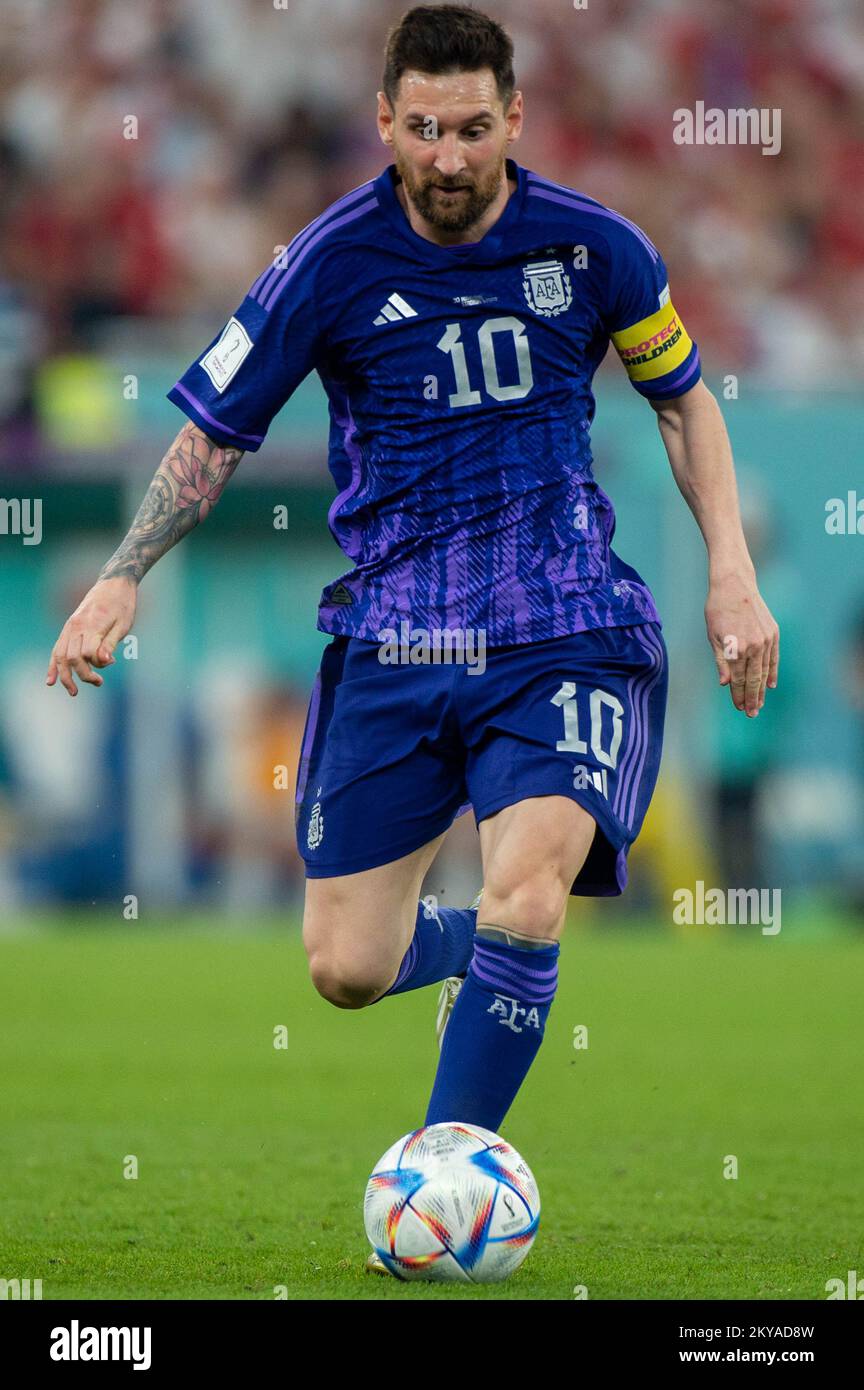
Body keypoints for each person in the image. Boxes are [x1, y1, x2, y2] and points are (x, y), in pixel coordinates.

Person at [46, 4, 779, 1273]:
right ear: (385, 121)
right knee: (343, 966)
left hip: (562, 627)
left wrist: (733, 573)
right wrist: (121, 578)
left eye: (474, 129)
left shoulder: (596, 249)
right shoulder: (327, 262)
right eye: (426, 128)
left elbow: (683, 401)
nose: (449, 156)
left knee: (529, 884)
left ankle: (450, 1183)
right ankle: (495, 955)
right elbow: (214, 436)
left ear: (517, 121)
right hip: (393, 638)